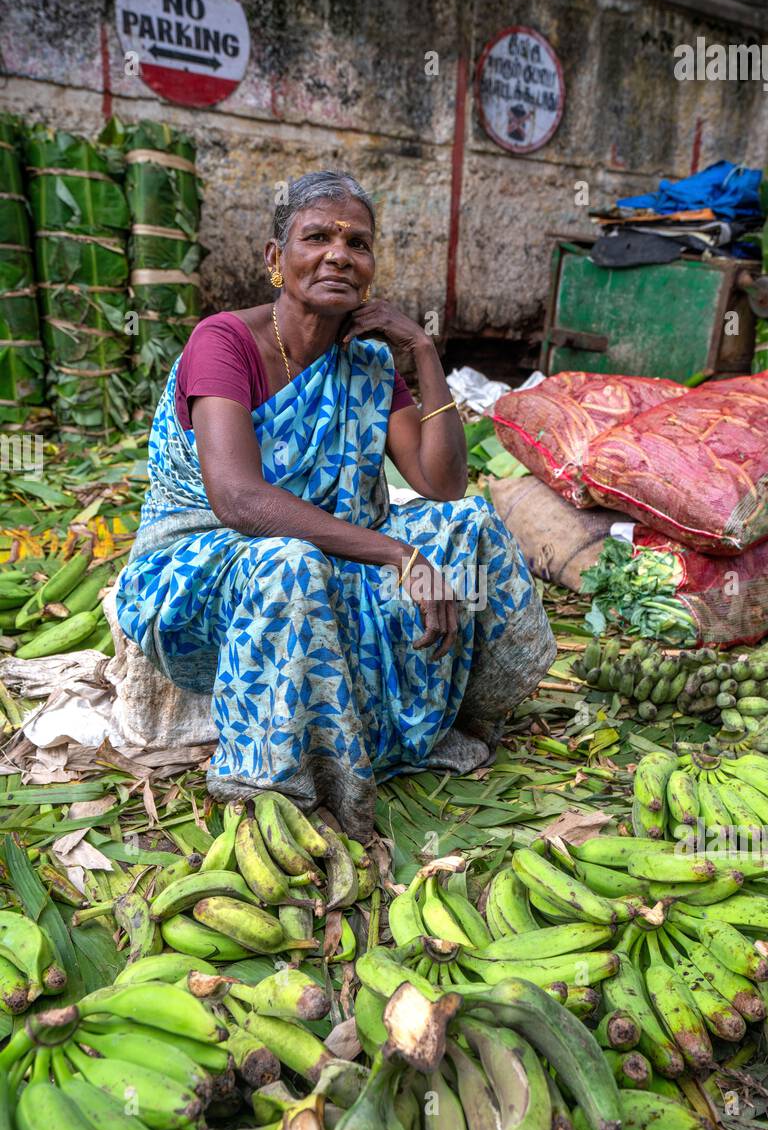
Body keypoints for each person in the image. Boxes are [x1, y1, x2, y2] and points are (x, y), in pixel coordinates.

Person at [115, 171, 555, 836]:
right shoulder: (225, 342)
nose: (339, 254)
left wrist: (423, 352)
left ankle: (451, 717)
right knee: (288, 561)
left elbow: (442, 486)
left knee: (467, 526)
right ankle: (271, 788)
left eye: (358, 243)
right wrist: (396, 553)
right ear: (274, 258)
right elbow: (237, 500)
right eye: (316, 236)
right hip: (202, 565)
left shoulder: (371, 366)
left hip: (326, 549)